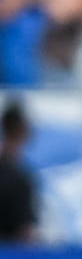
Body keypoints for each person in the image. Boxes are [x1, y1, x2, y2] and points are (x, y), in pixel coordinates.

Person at [0, 97, 37, 243]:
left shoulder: (20, 173)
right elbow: (24, 231)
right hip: (12, 258)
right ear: (22, 129)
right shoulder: (20, 178)